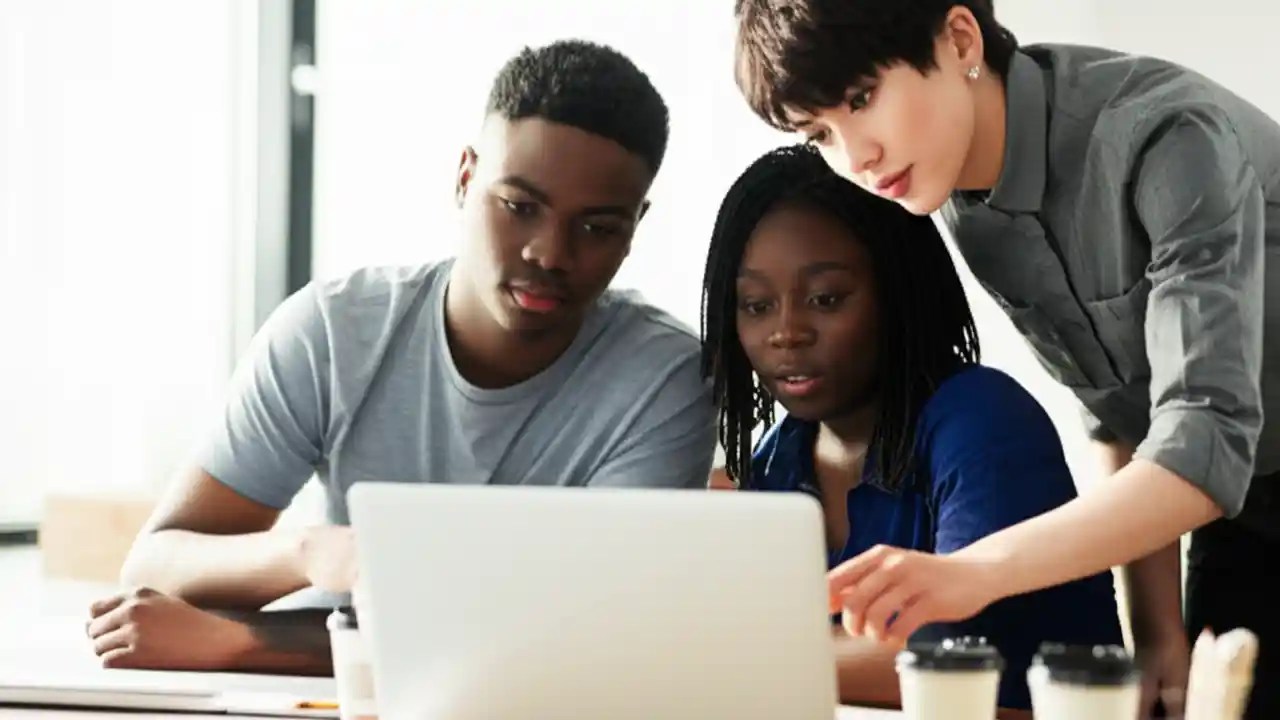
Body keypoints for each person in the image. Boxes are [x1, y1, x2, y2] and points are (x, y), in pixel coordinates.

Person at [83, 39, 717, 674]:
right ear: (466, 178)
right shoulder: (334, 331)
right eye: (520, 207)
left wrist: (241, 642)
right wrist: (315, 554)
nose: (550, 254)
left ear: (636, 225)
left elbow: (586, 636)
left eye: (597, 228)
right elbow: (156, 565)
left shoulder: (664, 381)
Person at [733, 1, 1280, 716]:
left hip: (1225, 472)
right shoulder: (952, 190)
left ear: (960, 37)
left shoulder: (1165, 139)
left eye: (862, 99)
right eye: (821, 132)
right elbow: (1122, 404)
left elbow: (1202, 436)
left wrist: (970, 573)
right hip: (1241, 509)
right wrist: (1154, 636)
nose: (855, 157)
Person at [700, 144, 1121, 713]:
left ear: (898, 291)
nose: (786, 333)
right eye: (754, 306)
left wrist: (728, 657)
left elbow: (949, 663)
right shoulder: (778, 459)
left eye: (825, 299)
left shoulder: (981, 418)